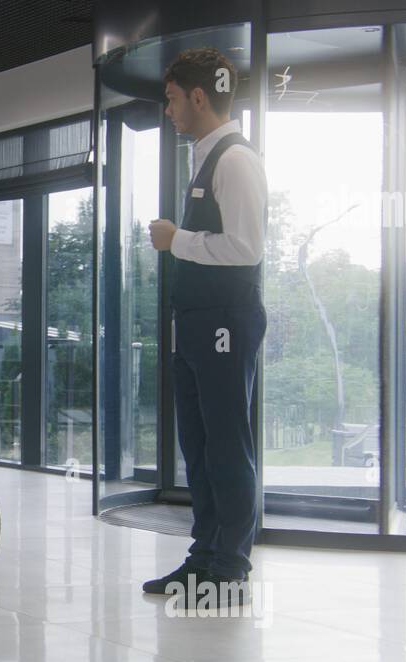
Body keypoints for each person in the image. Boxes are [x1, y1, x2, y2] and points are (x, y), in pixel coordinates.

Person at [144, 48, 268, 599]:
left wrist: (178, 241)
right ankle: (205, 556)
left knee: (225, 443)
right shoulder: (205, 156)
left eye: (171, 99)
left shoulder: (236, 160)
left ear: (198, 97)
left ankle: (231, 565)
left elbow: (247, 248)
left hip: (225, 322)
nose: (167, 110)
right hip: (196, 322)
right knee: (198, 445)